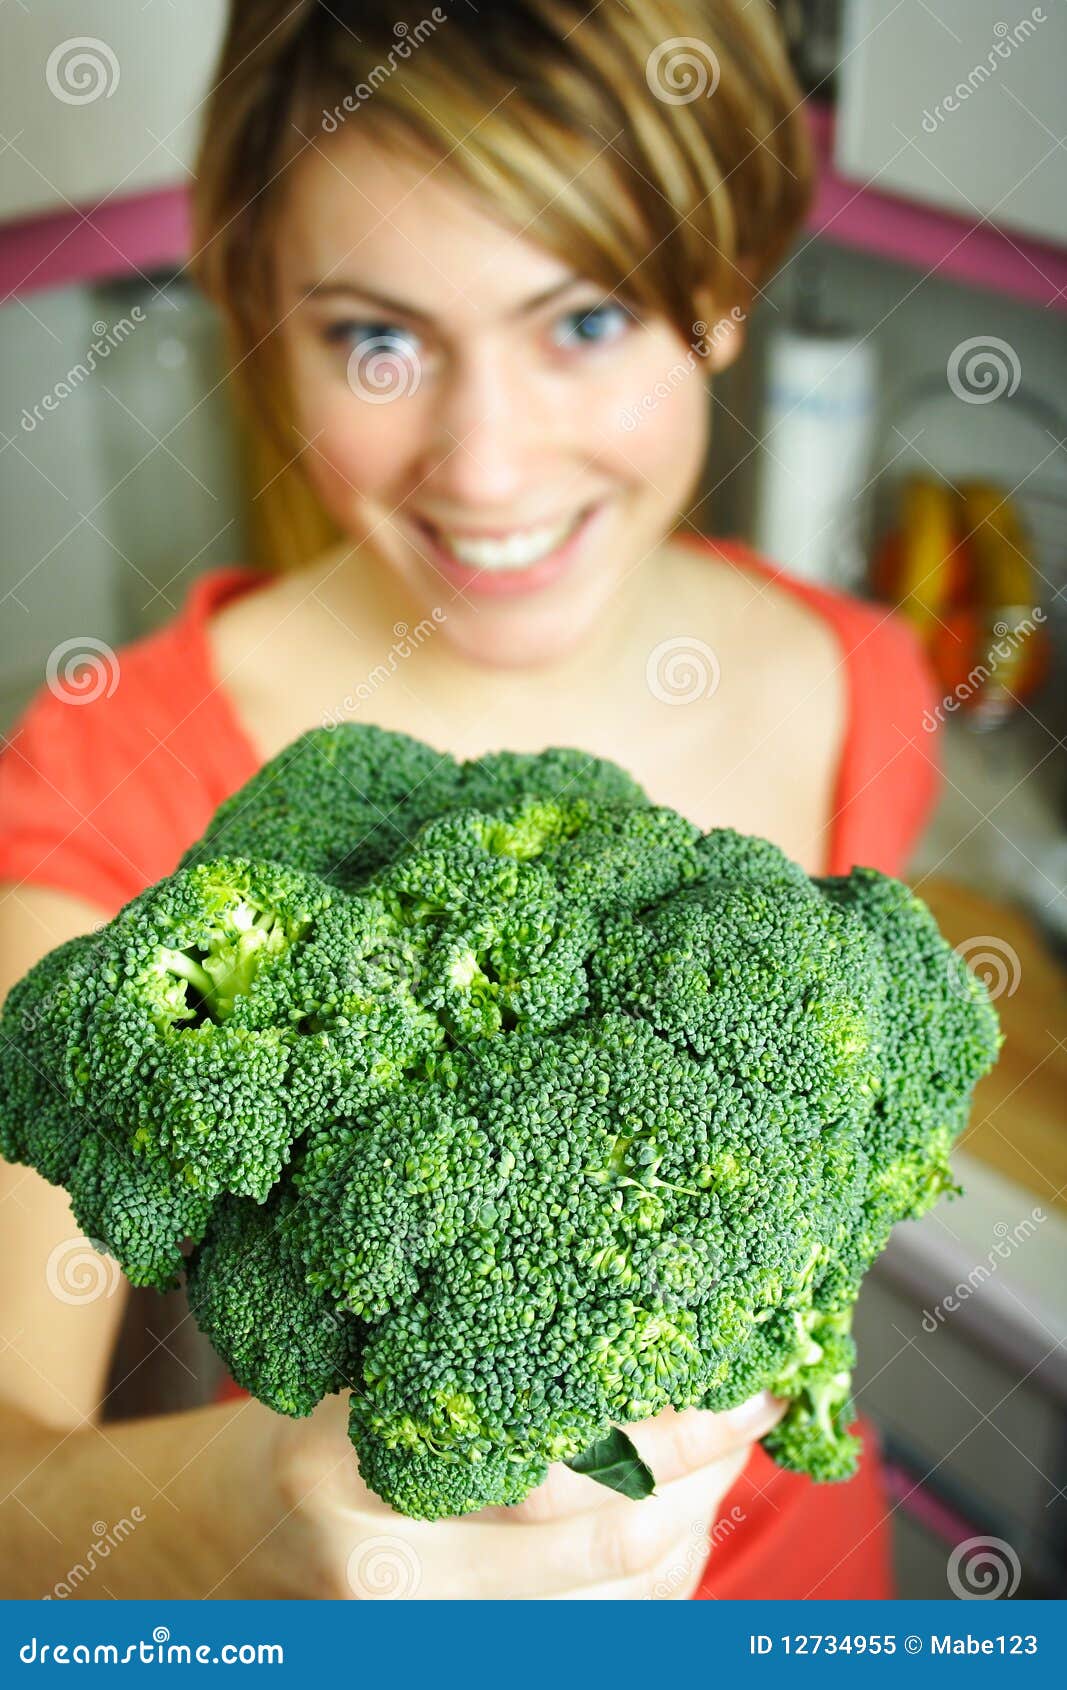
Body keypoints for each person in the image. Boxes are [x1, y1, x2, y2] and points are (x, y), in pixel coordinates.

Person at [0, 0, 937, 1598]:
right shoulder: (118, 771)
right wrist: (219, 1514)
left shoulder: (860, 681)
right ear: (259, 316)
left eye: (583, 320)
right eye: (378, 338)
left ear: (715, 294)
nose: (487, 464)